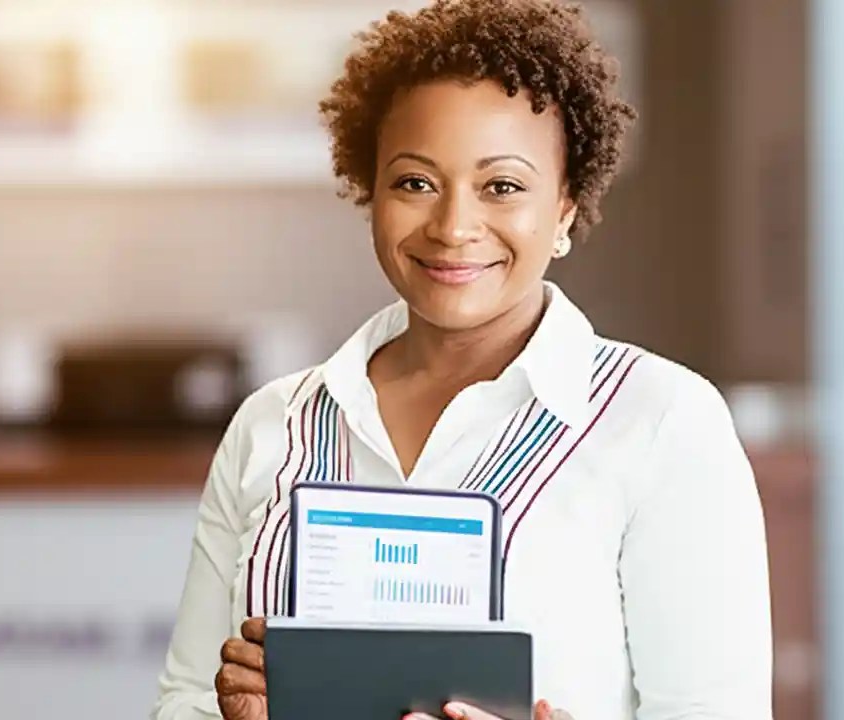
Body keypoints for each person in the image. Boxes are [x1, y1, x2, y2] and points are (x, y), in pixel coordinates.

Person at [152, 0, 773, 718]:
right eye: (415, 182)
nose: (452, 227)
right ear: (370, 191)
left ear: (566, 206)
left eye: (502, 187)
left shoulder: (661, 422)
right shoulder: (274, 422)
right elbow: (185, 700)